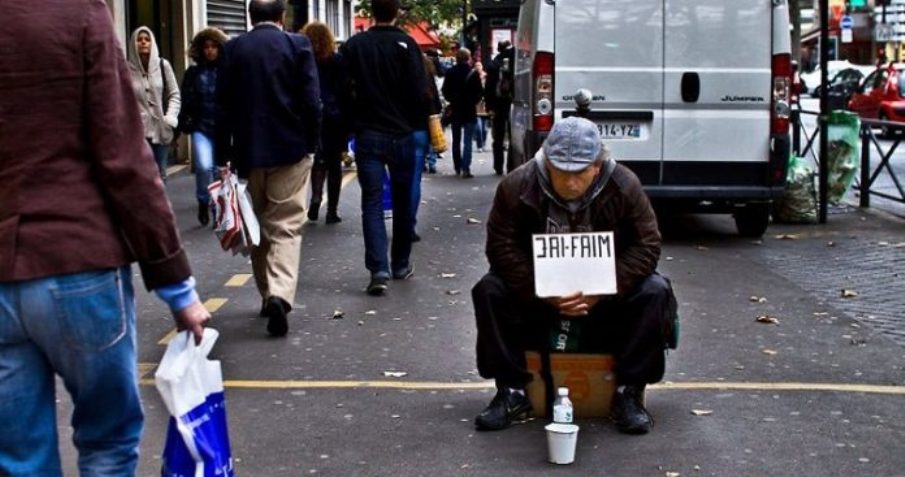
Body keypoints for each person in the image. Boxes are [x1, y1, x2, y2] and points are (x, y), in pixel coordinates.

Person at [0, 1, 210, 474]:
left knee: (18, 458)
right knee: (108, 443)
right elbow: (125, 160)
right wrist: (177, 287)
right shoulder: (78, 15)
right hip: (80, 260)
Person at [470, 116, 675, 434]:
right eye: (561, 172)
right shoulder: (516, 186)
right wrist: (543, 291)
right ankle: (512, 390)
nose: (569, 183)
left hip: (605, 297)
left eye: (579, 173)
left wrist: (603, 290)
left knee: (655, 290)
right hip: (538, 295)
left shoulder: (624, 185)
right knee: (489, 289)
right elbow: (501, 248)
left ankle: (628, 391)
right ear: (548, 162)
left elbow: (647, 246)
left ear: (597, 165)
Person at [217, 0, 322, 336]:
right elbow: (311, 100)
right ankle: (279, 293)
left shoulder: (233, 49)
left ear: (250, 17)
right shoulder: (298, 45)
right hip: (290, 148)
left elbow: (222, 107)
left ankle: (266, 294)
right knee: (286, 225)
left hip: (248, 152)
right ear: (282, 17)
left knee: (258, 224)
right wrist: (312, 143)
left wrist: (223, 156)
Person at [341, 0, 430, 295]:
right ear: (396, 13)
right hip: (402, 133)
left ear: (371, 12)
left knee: (372, 202)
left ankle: (378, 269)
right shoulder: (407, 45)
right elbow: (419, 92)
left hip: (368, 133)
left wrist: (352, 124)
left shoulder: (354, 46)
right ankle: (400, 263)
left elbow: (344, 90)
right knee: (403, 200)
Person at [303, 21, 352, 225]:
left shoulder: (305, 59)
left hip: (311, 115)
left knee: (318, 161)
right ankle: (332, 210)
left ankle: (316, 196)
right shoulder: (337, 60)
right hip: (335, 117)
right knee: (334, 165)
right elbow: (345, 91)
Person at [180, 27, 229, 226]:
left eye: (214, 46)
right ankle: (203, 200)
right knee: (203, 166)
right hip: (201, 127)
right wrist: (184, 122)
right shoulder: (193, 73)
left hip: (222, 128)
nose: (210, 51)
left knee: (219, 170)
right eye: (206, 47)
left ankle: (218, 208)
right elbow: (185, 99)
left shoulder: (226, 72)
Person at [128, 26, 181, 180]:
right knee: (141, 175)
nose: (143, 42)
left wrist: (170, 117)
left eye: (147, 39)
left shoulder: (163, 65)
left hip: (161, 129)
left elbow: (174, 94)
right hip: (137, 132)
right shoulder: (125, 69)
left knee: (160, 174)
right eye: (139, 40)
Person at [441, 47, 484, 178]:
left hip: (455, 109)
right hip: (469, 110)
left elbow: (445, 90)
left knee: (456, 140)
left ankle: (457, 166)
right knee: (468, 141)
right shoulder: (473, 73)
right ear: (468, 58)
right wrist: (472, 101)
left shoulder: (450, 72)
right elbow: (479, 92)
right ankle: (466, 167)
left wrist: (452, 100)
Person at [484, 40, 515, 175]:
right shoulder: (515, 59)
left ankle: (498, 166)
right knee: (513, 136)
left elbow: (489, 87)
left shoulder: (494, 63)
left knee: (498, 137)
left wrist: (489, 106)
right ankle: (511, 165)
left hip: (498, 104)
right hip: (513, 101)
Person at [473, 61, 489, 153]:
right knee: (478, 128)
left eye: (479, 65)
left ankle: (483, 143)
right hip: (476, 106)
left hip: (485, 106)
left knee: (485, 129)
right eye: (476, 66)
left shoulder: (486, 77)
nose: (478, 67)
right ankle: (479, 145)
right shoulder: (472, 77)